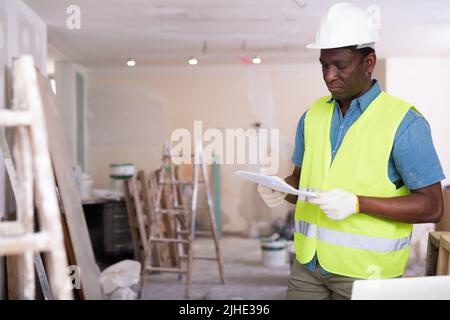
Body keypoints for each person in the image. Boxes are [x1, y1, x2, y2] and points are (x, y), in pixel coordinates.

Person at [257, 2, 445, 300]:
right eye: (323, 65)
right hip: (308, 266)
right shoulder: (313, 115)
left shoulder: (404, 121)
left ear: (368, 62)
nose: (329, 76)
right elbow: (300, 180)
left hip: (367, 273)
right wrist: (281, 189)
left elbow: (432, 207)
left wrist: (358, 203)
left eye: (340, 65)